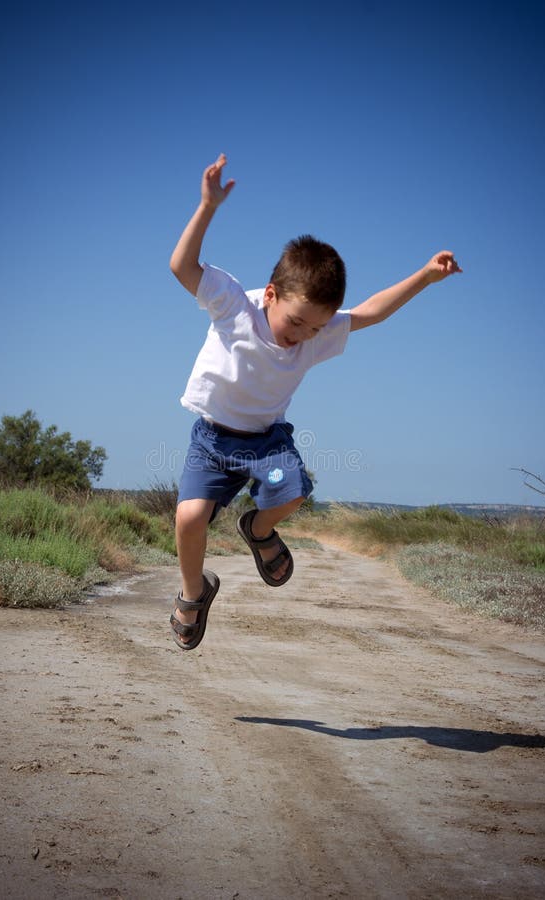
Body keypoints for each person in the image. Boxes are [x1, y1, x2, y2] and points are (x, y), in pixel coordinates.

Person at [169, 153, 462, 650]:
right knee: (188, 518)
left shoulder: (315, 334)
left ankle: (257, 530)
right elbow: (183, 266)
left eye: (316, 328)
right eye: (296, 322)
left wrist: (424, 276)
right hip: (212, 441)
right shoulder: (233, 305)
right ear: (272, 296)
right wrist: (206, 207)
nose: (302, 335)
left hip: (265, 444)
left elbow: (370, 313)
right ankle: (193, 594)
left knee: (293, 489)